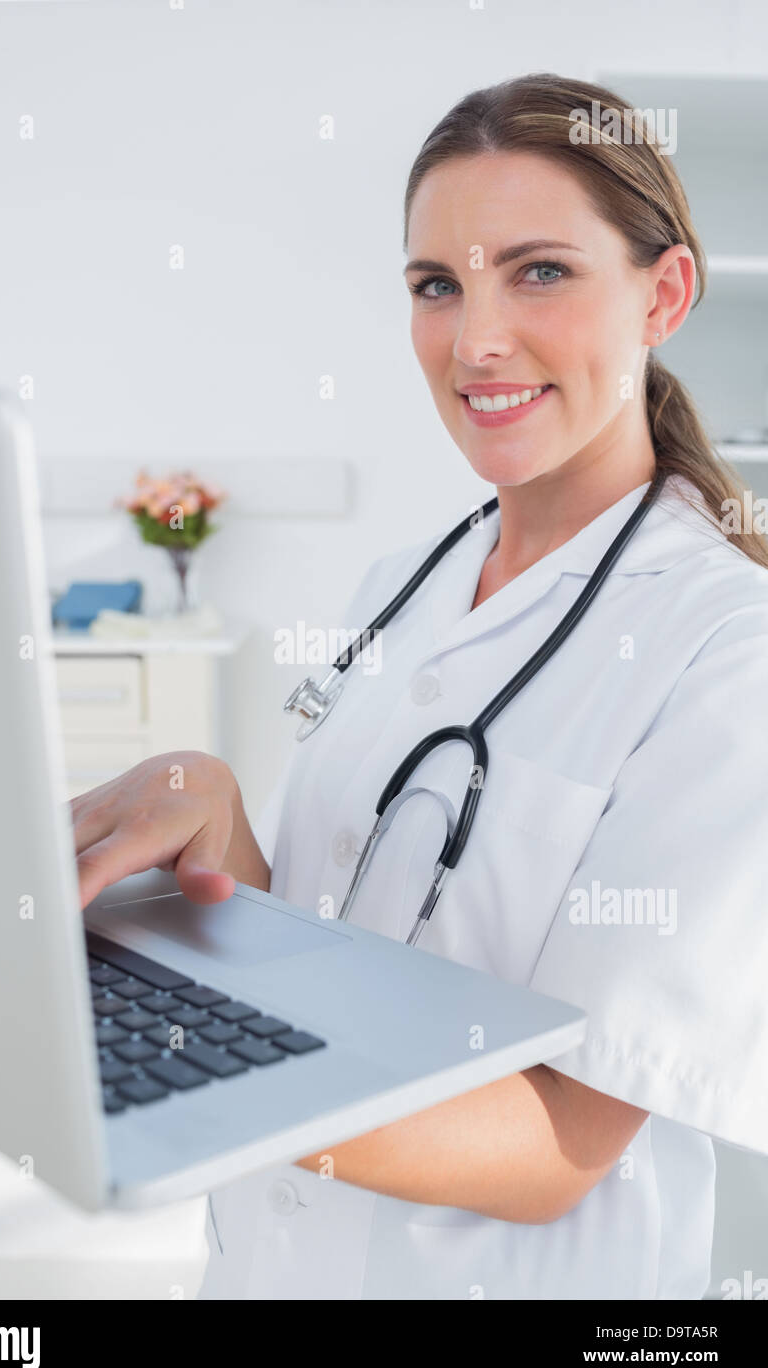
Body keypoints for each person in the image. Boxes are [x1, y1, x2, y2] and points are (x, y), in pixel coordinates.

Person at [71, 73, 768, 1300]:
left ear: (663, 296)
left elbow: (561, 1145)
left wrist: (166, 1080)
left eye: (540, 271)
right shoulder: (403, 584)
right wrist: (217, 811)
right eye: (437, 284)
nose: (475, 339)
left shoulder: (727, 649)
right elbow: (349, 959)